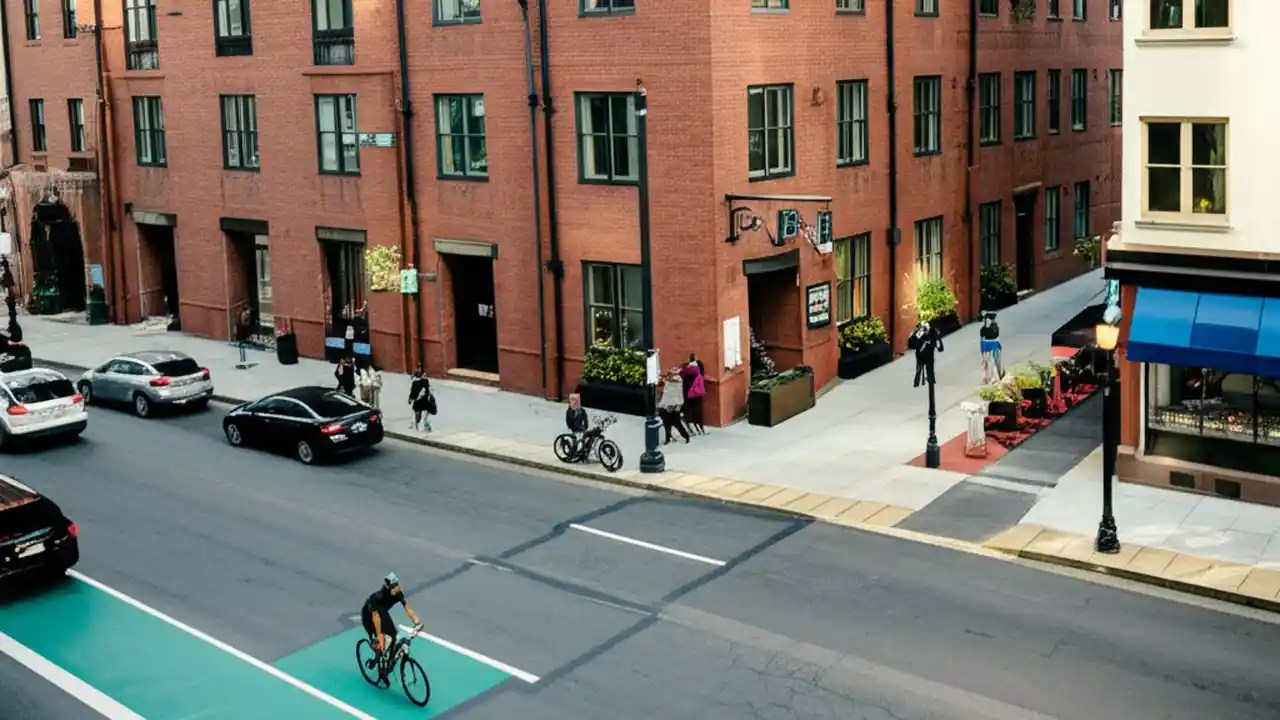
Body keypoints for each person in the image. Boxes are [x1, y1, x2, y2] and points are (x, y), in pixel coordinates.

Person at [362, 572, 422, 683]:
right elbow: (376, 617)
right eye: (394, 586)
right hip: (369, 616)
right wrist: (379, 635)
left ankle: (387, 667)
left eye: (397, 585)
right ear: (389, 588)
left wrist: (416, 621)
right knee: (381, 641)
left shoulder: (398, 594)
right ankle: (376, 657)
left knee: (393, 636)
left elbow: (407, 608)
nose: (397, 588)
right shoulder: (377, 597)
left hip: (382, 613)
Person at [657, 370, 691, 445]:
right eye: (669, 375)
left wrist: (677, 405)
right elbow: (662, 393)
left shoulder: (677, 384)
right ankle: (667, 439)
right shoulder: (666, 383)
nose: (670, 377)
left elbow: (679, 396)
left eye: (671, 375)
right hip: (666, 407)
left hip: (674, 408)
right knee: (667, 425)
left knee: (678, 424)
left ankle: (686, 437)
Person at [679, 353, 707, 435]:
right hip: (697, 393)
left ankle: (687, 421)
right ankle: (698, 426)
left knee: (689, 408)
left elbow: (681, 375)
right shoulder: (698, 367)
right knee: (697, 409)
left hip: (687, 393)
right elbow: (702, 374)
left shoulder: (685, 368)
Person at [409, 366, 434, 431]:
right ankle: (422, 426)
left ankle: (418, 426)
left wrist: (411, 399)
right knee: (422, 415)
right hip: (423, 401)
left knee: (419, 414)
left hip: (420, 401)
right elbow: (427, 390)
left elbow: (413, 392)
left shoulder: (417, 383)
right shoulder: (424, 382)